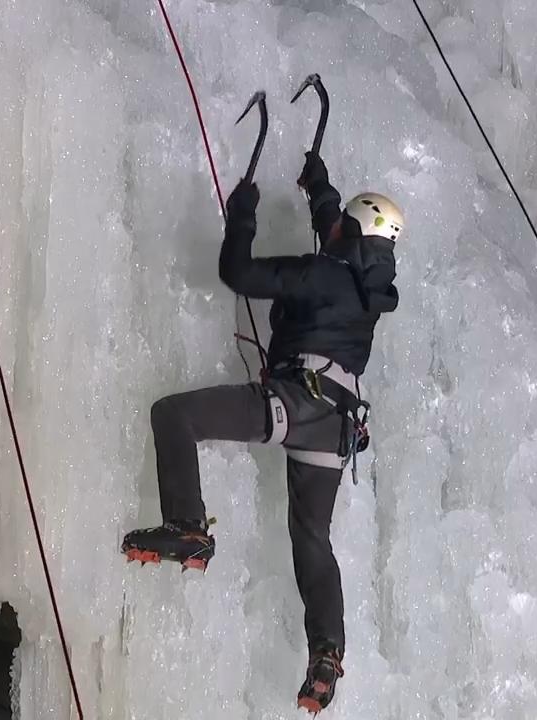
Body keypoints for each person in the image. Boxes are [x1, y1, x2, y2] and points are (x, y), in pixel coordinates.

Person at [121, 150, 402, 714]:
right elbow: (339, 229)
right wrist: (318, 183)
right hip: (336, 430)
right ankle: (327, 653)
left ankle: (189, 526)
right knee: (312, 540)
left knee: (175, 415)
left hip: (295, 403)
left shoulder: (320, 272)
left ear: (350, 233)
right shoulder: (371, 292)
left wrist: (243, 211)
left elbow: (238, 274)